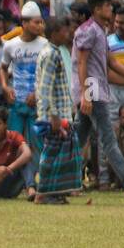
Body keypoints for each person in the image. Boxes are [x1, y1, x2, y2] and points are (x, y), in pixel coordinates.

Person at [72, 0, 124, 196]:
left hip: (95, 90)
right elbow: (82, 63)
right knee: (108, 138)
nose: (111, 9)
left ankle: (63, 181)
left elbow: (112, 62)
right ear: (98, 9)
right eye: (108, 6)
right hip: (93, 91)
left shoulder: (100, 31)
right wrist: (85, 94)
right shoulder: (89, 31)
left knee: (76, 140)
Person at [34, 17, 82, 203]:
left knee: (61, 154)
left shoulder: (53, 51)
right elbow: (45, 88)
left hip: (59, 112)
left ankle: (55, 192)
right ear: (54, 33)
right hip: (53, 115)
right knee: (51, 153)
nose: (68, 33)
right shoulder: (51, 54)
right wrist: (52, 115)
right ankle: (43, 193)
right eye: (64, 30)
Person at [4, 1, 47, 196]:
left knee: (37, 144)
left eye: (41, 22)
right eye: (36, 23)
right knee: (15, 144)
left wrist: (38, 93)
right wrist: (5, 87)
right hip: (17, 103)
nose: (40, 26)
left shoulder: (45, 45)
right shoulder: (11, 45)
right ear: (25, 23)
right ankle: (19, 183)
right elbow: (2, 69)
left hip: (37, 104)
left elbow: (48, 73)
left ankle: (36, 181)